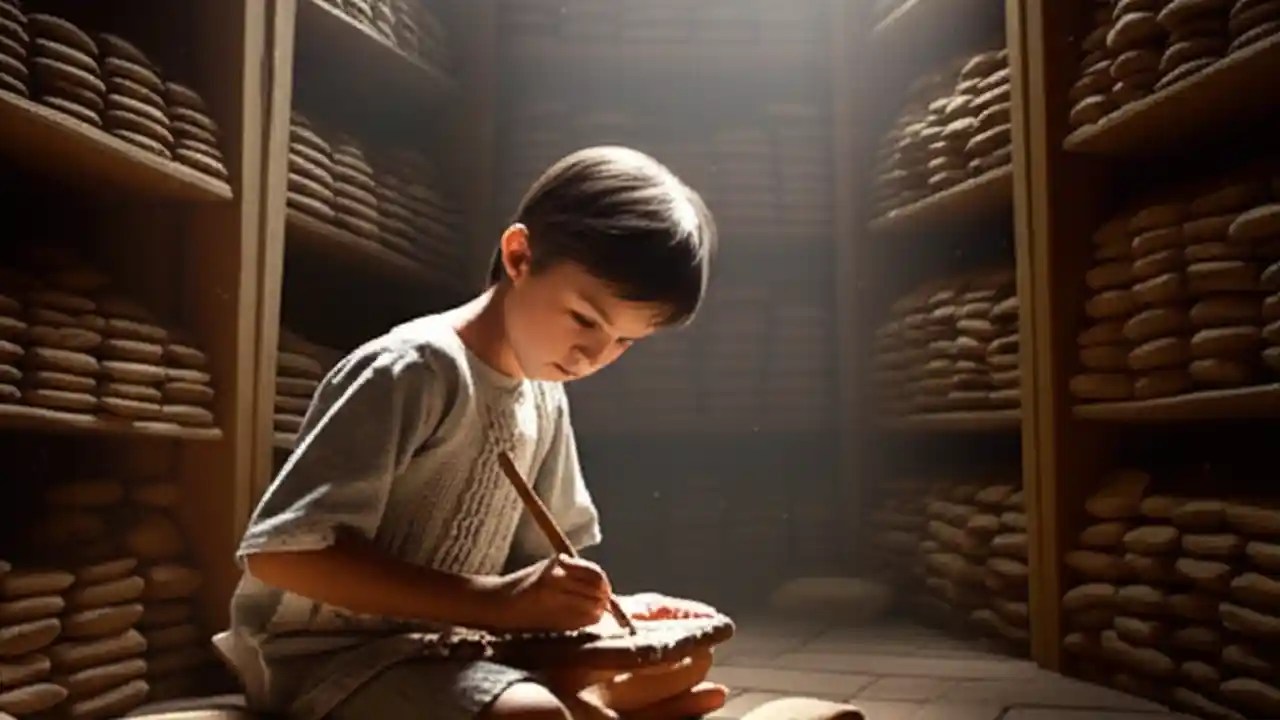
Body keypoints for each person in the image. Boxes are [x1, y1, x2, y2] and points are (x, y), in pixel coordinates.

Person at [217, 146, 725, 719]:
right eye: (585, 319)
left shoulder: (543, 394)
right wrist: (496, 603)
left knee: (680, 664)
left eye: (625, 342)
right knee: (530, 715)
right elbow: (283, 556)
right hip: (338, 661)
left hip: (465, 647)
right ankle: (566, 707)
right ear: (520, 256)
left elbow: (533, 576)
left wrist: (609, 611)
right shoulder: (413, 370)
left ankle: (571, 702)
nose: (592, 355)